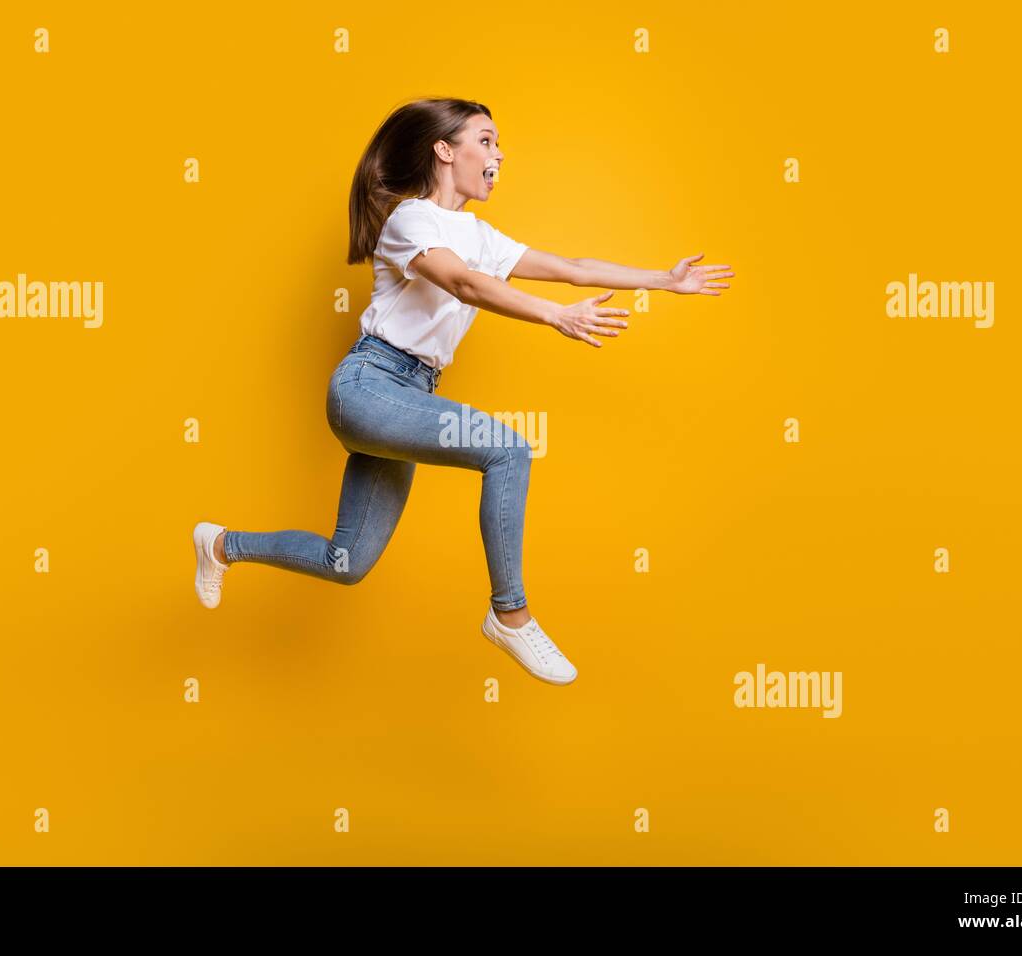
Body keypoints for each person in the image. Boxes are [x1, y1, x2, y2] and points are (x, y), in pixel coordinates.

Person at [193, 97, 732, 685]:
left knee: (345, 561)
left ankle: (222, 544)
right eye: (486, 140)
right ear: (445, 151)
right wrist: (556, 318)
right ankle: (511, 614)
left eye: (500, 145)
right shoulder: (411, 219)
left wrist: (664, 280)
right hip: (369, 386)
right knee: (508, 450)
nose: (498, 154)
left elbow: (573, 267)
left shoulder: (480, 234)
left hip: (411, 394)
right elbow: (463, 283)